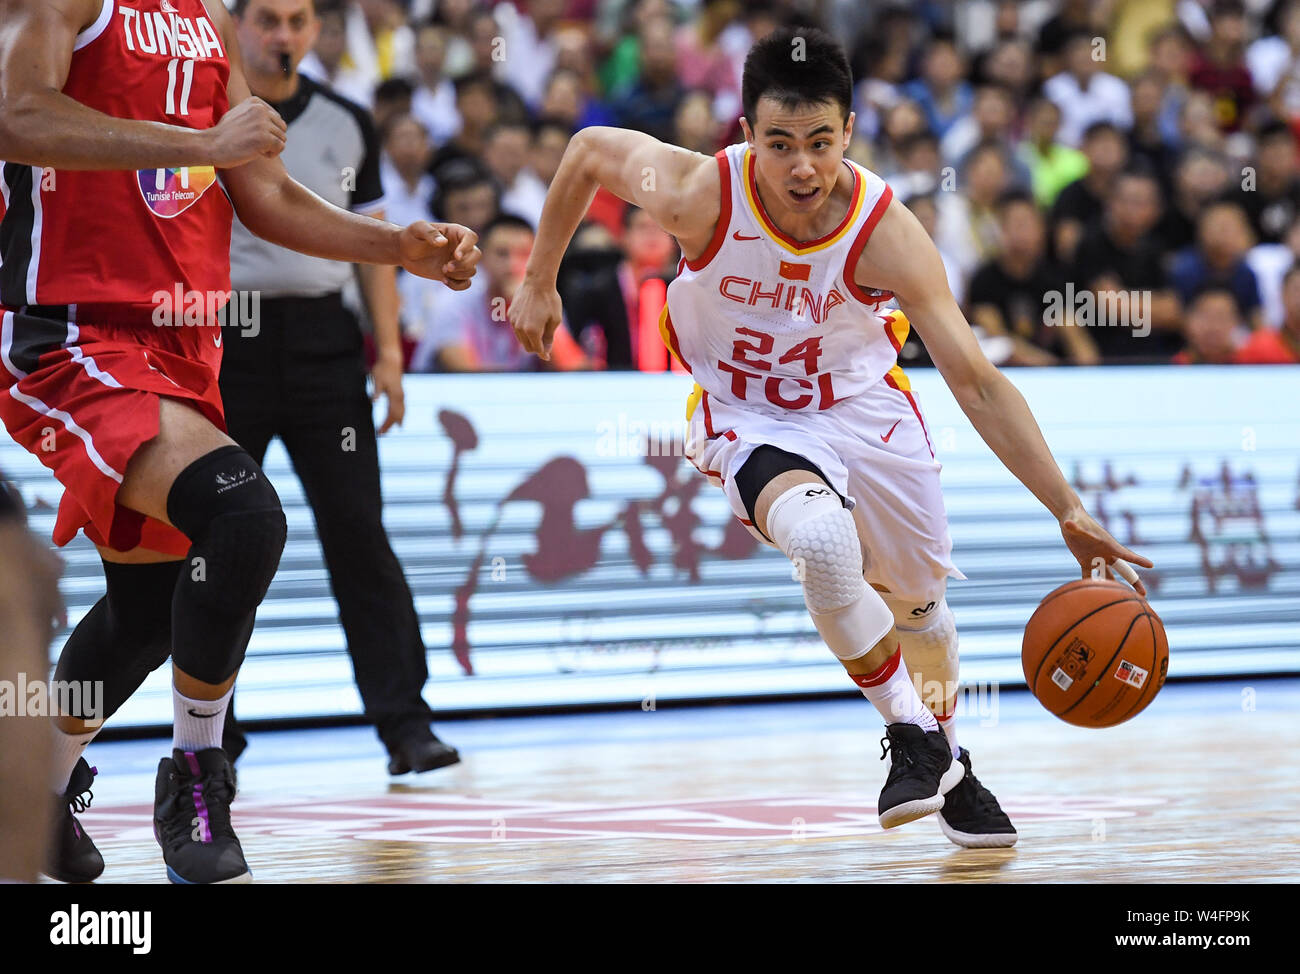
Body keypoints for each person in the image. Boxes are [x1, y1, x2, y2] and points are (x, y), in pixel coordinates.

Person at [511, 26, 1152, 848]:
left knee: (921, 611)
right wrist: (538, 280)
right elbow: (588, 151)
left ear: (848, 131)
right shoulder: (701, 193)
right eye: (779, 144)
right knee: (820, 542)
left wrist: (1067, 506)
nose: (802, 166)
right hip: (748, 415)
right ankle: (912, 735)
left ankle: (948, 761)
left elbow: (979, 381)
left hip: (862, 410)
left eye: (819, 142)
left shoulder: (889, 233)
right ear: (746, 136)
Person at [0, 0, 478, 884]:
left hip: (184, 346)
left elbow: (260, 192)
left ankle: (30, 789)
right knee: (245, 517)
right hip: (71, 333)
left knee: (145, 615)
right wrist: (198, 145)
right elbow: (16, 117)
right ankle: (197, 776)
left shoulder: (205, 22)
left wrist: (391, 246)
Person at [219, 0, 461, 777]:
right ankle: (211, 734)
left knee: (359, 533)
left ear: (315, 32)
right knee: (219, 543)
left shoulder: (349, 122)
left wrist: (387, 351)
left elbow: (376, 243)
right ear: (237, 27)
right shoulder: (201, 116)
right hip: (228, 342)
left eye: (296, 21)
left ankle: (405, 723)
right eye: (266, 20)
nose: (282, 35)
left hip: (327, 345)